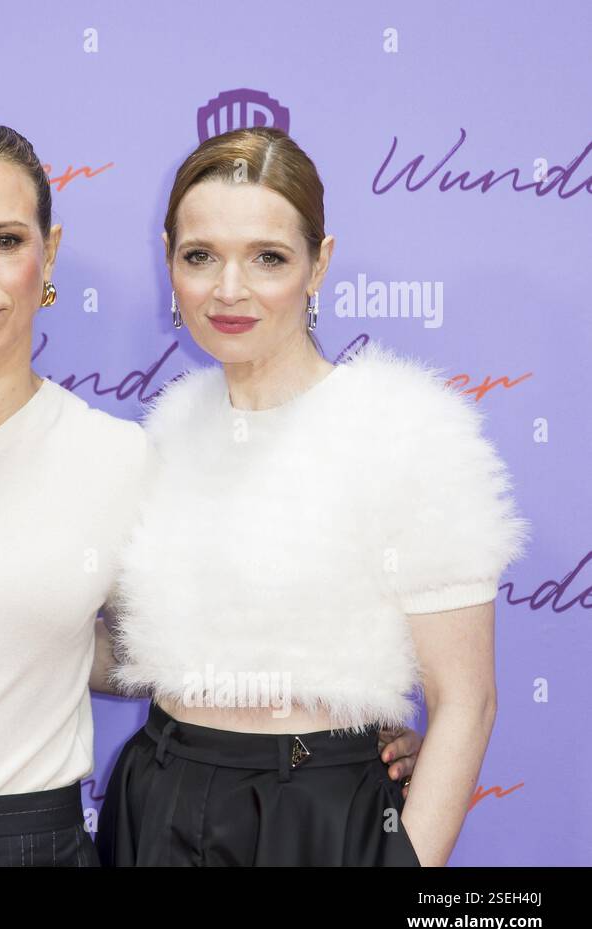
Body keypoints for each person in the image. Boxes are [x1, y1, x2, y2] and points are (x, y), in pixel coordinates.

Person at [0, 118, 423, 867]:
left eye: (5, 240)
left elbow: (158, 647)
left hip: (42, 843)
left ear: (50, 255)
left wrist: (342, 738)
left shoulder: (123, 458)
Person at [97, 126, 528, 867]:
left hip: (324, 819)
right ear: (169, 261)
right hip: (158, 798)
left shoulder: (408, 430)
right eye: (200, 256)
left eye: (268, 258)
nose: (229, 290)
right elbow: (141, 653)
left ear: (319, 264)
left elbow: (468, 703)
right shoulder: (167, 430)